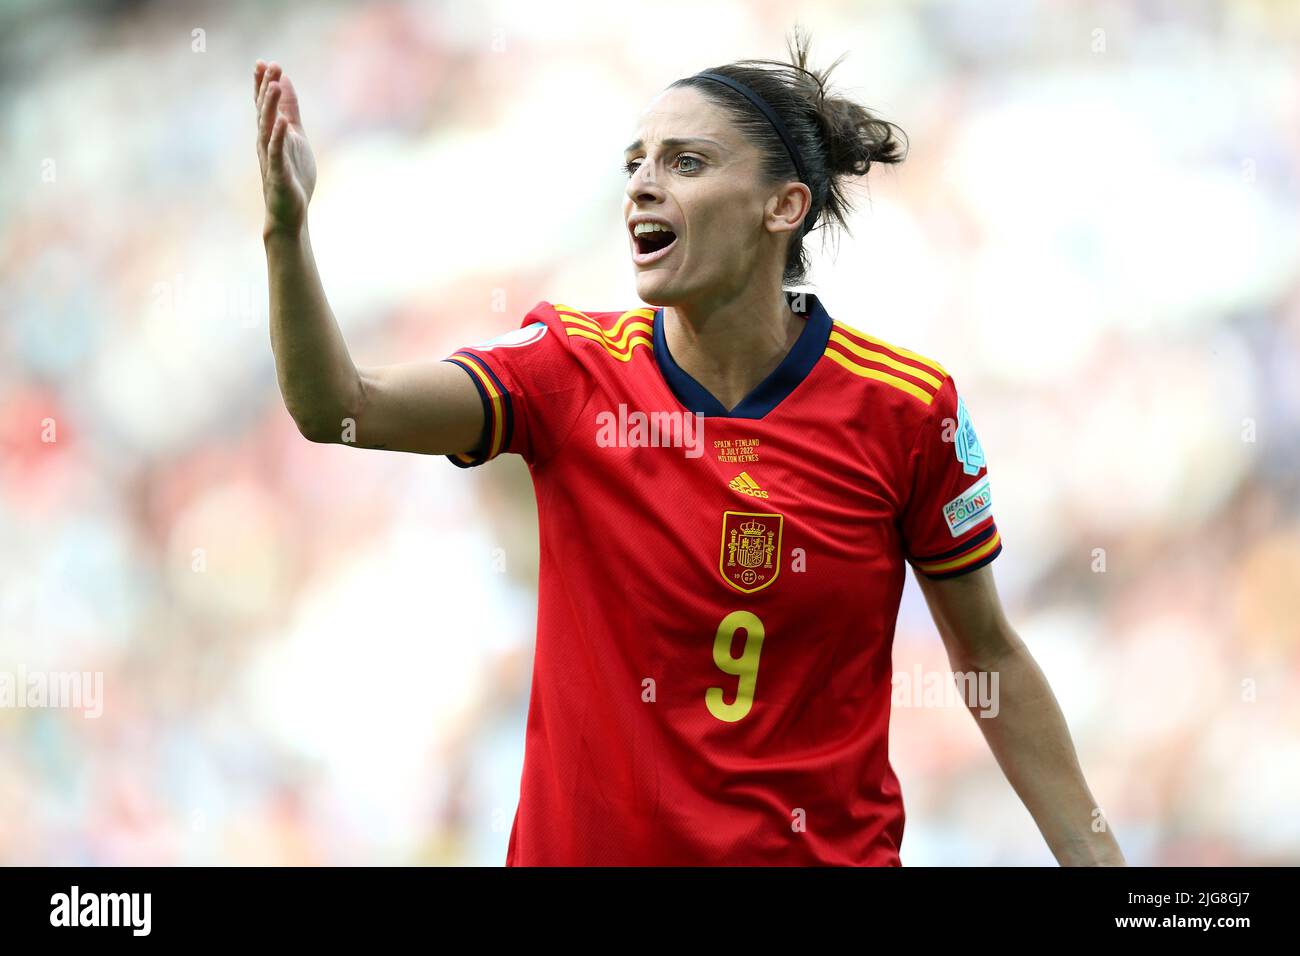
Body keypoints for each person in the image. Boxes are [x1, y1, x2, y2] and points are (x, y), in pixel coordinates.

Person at [253, 30, 1126, 866]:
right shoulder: (566, 373)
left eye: (686, 162)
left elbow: (989, 657)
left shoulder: (904, 409)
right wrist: (287, 237)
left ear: (783, 207)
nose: (641, 184)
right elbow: (342, 408)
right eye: (635, 162)